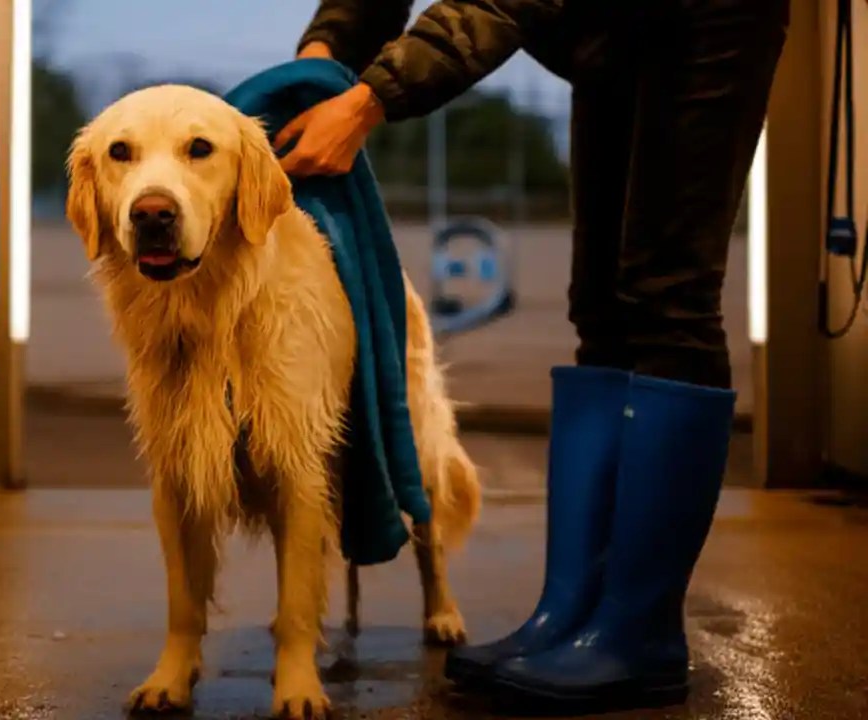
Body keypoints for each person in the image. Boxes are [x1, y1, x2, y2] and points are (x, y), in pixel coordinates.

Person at [282, 0, 789, 712]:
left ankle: (638, 635)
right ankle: (570, 611)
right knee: (604, 309)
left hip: (710, 22)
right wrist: (323, 53)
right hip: (616, 31)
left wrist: (369, 101)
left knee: (668, 299)